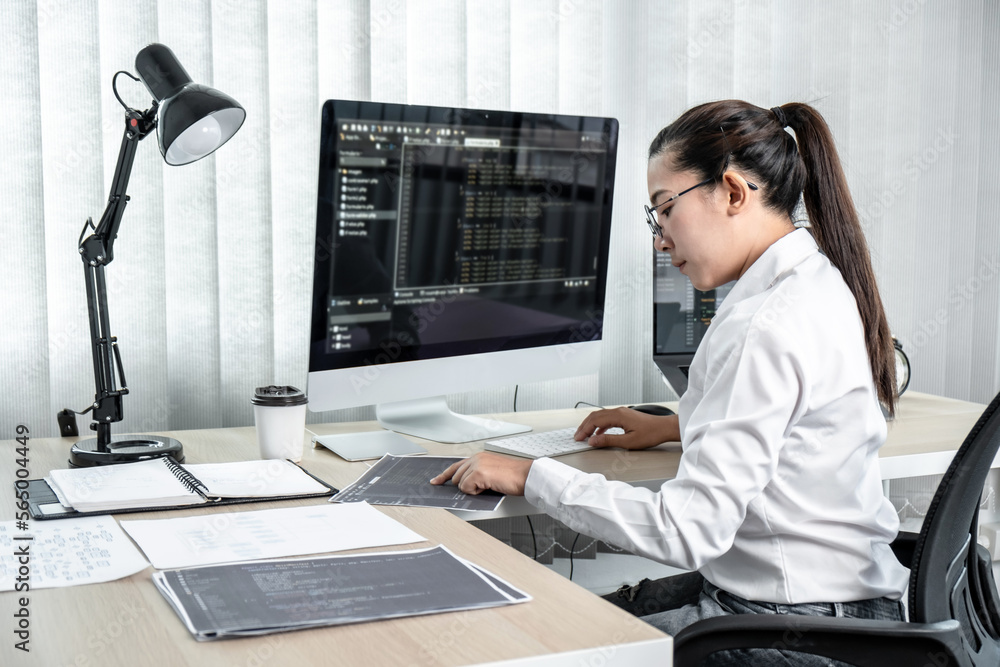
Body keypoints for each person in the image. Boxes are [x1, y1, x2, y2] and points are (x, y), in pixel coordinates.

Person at [431, 100, 909, 665]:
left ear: (732, 192)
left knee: (536, 644)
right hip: (848, 609)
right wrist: (675, 426)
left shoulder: (763, 324)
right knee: (569, 614)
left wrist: (531, 474)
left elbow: (688, 532)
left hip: (799, 630)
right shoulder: (816, 279)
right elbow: (796, 432)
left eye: (665, 209)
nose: (660, 240)